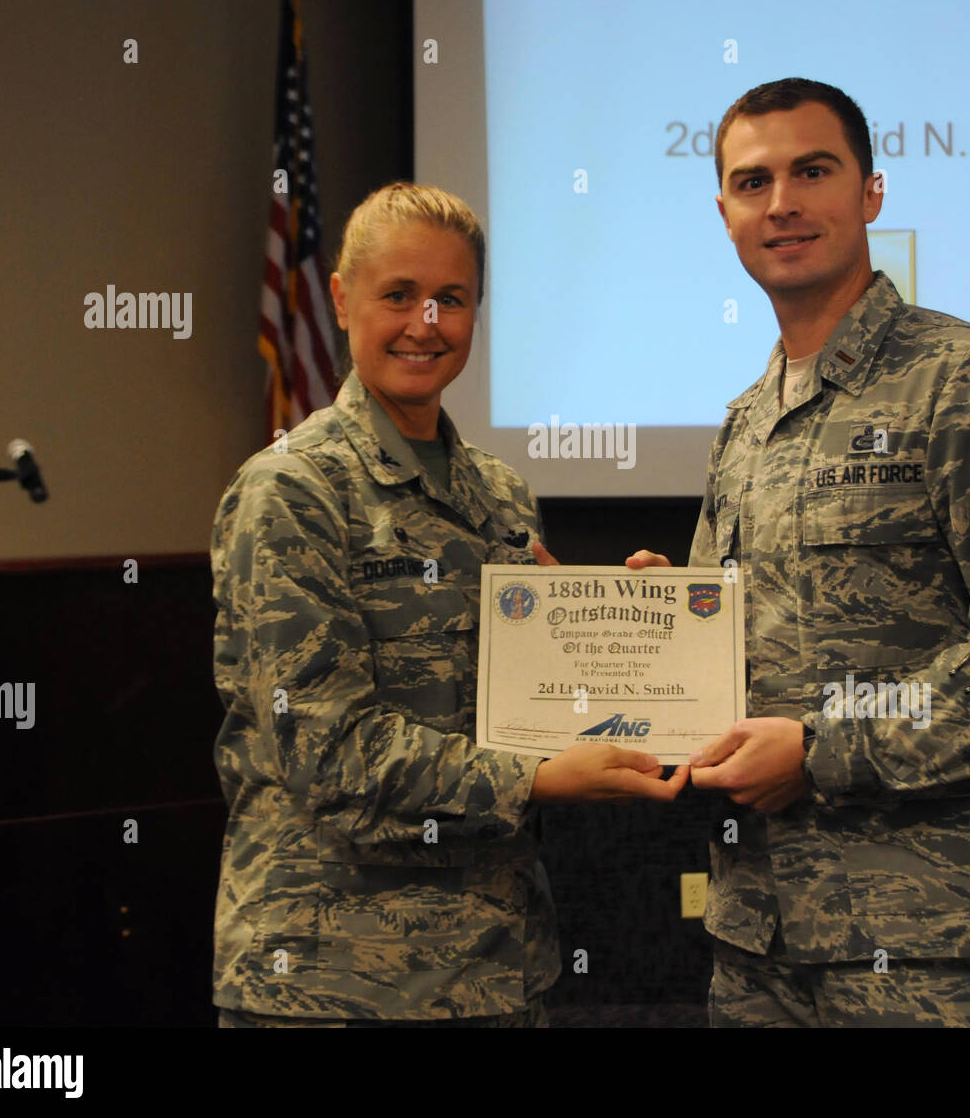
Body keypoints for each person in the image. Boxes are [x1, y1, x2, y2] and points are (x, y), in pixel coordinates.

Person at [628, 78, 970, 1027]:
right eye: (752, 181)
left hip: (943, 951)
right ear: (724, 212)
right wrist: (645, 629)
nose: (783, 203)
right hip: (758, 943)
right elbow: (738, 665)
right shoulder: (746, 423)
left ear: (871, 193)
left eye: (814, 171)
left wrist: (823, 751)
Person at [211, 182, 687, 1028]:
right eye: (399, 295)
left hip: (500, 971)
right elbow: (330, 753)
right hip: (336, 984)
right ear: (341, 298)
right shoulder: (293, 490)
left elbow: (532, 703)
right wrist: (538, 776)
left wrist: (639, 619)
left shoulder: (500, 497)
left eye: (452, 299)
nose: (426, 323)